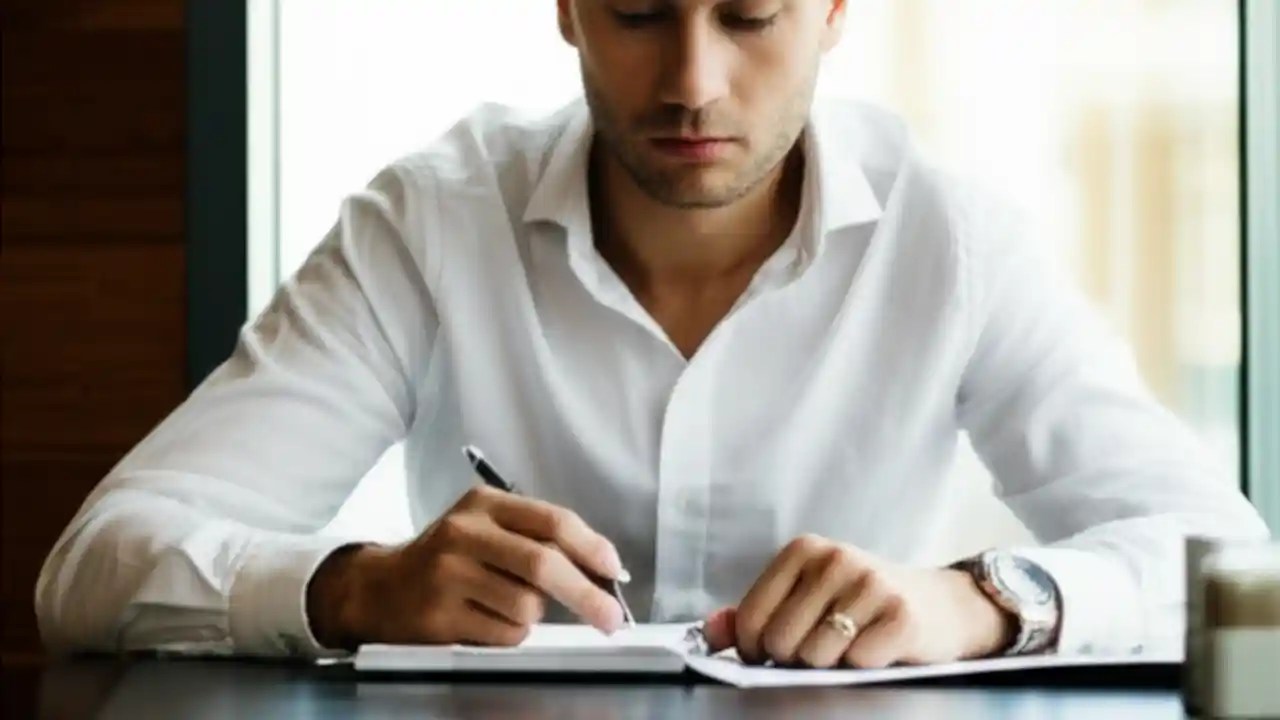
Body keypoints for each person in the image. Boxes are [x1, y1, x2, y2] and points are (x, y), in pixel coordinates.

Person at [37, 0, 1269, 669]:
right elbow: (93, 571)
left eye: (746, 16)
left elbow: (1229, 566)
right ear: (566, 8)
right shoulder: (428, 222)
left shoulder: (950, 240)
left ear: (834, 9)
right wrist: (359, 585)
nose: (691, 80)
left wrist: (977, 600)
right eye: (638, 12)